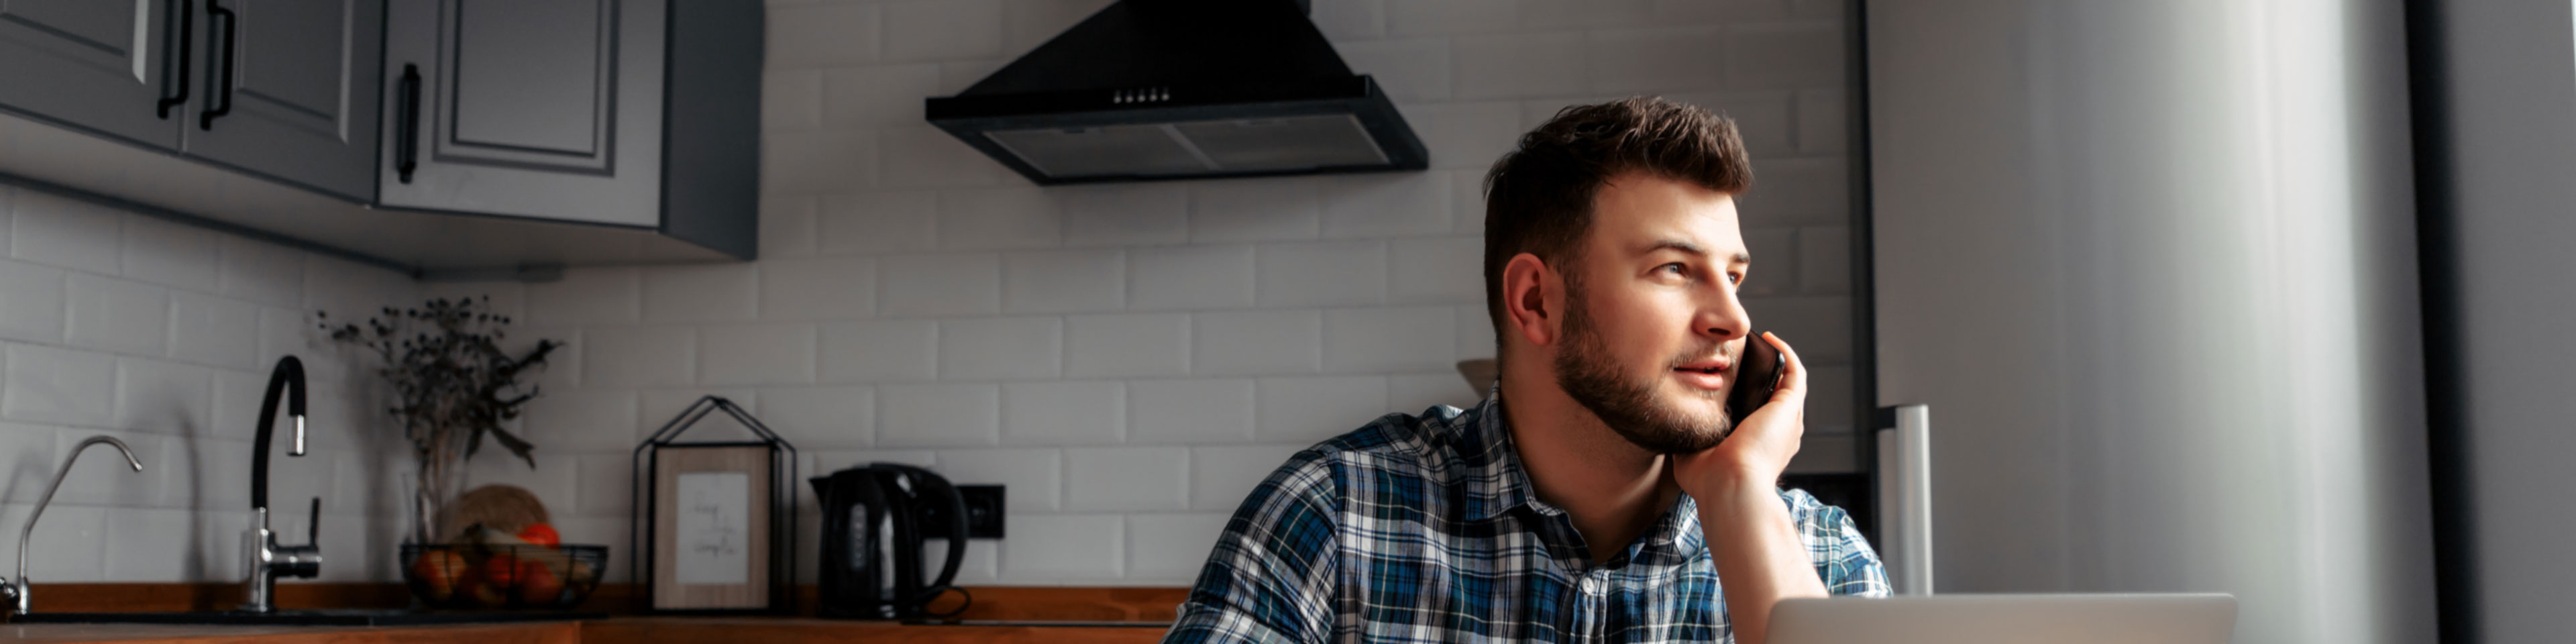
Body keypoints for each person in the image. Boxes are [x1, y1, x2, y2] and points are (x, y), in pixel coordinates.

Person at [1161, 97, 1888, 644]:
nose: (1731, 317)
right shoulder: (1332, 518)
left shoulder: (1818, 555)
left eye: (1734, 276)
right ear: (1536, 300)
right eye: (1674, 269)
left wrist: (1736, 494)